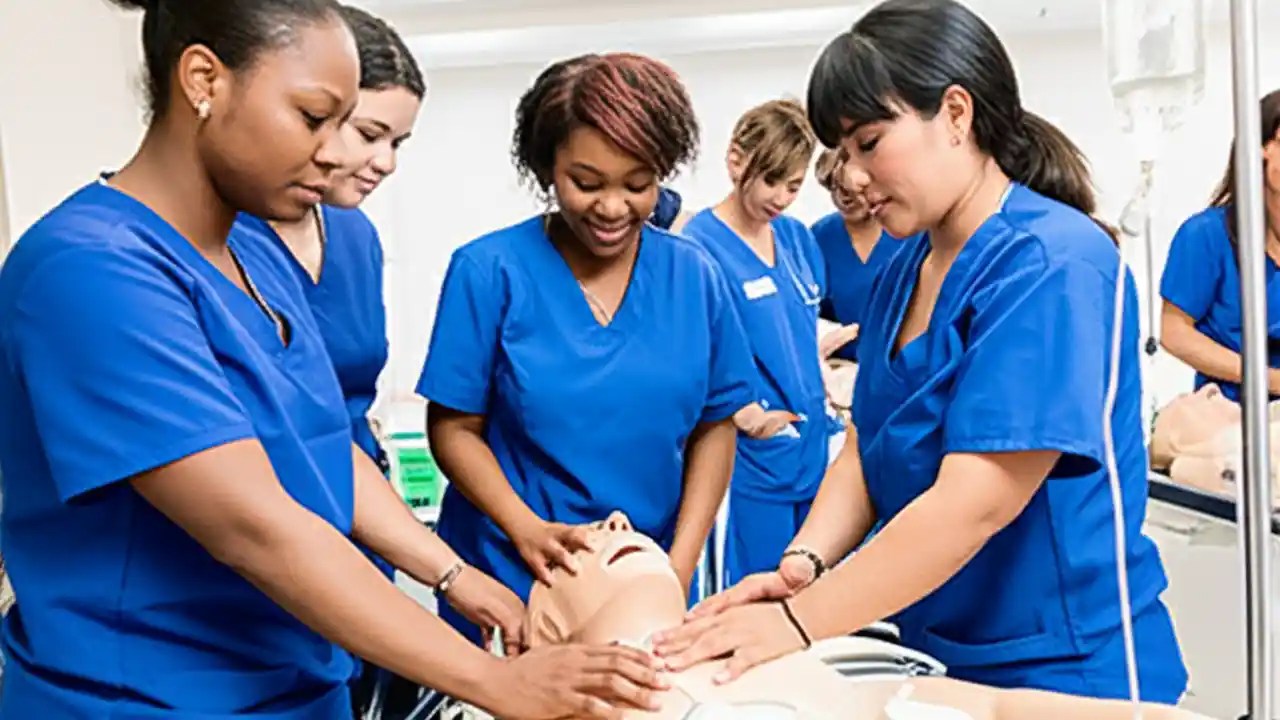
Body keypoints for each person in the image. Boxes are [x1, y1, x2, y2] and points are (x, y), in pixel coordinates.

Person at [0, 2, 665, 717]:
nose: (338, 154)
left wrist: (453, 575)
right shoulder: (91, 269)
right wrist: (494, 682)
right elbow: (254, 530)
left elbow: (323, 449)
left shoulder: (255, 253)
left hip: (297, 683)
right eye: (314, 118)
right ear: (203, 80)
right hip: (151, 698)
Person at [651, 0, 1188, 703]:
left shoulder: (1053, 263)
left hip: (1065, 664)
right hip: (938, 649)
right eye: (842, 153)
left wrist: (797, 623)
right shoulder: (908, 266)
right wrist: (803, 565)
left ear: (956, 114)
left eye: (869, 143)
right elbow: (865, 447)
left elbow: (975, 502)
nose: (850, 176)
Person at [417, 52, 756, 645]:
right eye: (587, 183)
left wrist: (676, 570)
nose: (612, 208)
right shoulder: (489, 271)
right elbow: (453, 428)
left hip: (642, 575)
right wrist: (524, 528)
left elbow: (715, 426)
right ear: (547, 167)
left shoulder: (695, 275)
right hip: (512, 573)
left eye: (638, 184)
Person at [229, 6, 433, 715]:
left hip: (361, 516)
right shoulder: (219, 237)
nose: (386, 162)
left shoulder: (354, 236)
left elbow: (346, 410)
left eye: (399, 142)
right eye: (369, 134)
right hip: (261, 538)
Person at [529, 512, 1209, 720]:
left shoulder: (798, 659)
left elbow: (993, 711)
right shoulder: (593, 702)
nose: (614, 520)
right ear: (543, 632)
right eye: (575, 545)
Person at [680, 99, 830, 589]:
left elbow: (798, 330)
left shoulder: (797, 238)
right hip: (749, 460)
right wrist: (748, 418)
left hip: (811, 450)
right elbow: (691, 357)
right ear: (736, 160)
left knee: (812, 599)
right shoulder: (697, 249)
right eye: (771, 181)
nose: (782, 198)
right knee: (752, 598)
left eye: (794, 185)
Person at [1160, 89, 1280, 402]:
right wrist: (1268, 379)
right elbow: (1174, 331)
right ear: (1259, 151)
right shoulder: (1206, 235)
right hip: (1231, 411)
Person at [810, 148, 900, 362]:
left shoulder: (907, 235)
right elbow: (808, 314)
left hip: (898, 367)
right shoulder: (818, 238)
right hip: (841, 368)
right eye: (834, 188)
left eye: (850, 191)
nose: (843, 199)